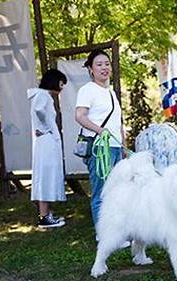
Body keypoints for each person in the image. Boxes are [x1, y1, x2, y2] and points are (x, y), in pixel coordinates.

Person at [75, 49, 125, 233]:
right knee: (101, 192)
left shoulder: (111, 93)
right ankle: (103, 234)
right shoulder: (87, 90)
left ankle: (117, 231)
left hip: (115, 148)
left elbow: (117, 122)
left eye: (106, 63)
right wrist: (100, 130)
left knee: (117, 191)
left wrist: (123, 146)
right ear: (90, 69)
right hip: (99, 148)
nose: (104, 67)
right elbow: (79, 116)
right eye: (99, 64)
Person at [28, 69, 67, 228]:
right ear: (54, 81)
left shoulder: (41, 95)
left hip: (44, 141)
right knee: (46, 176)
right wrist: (46, 128)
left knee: (46, 175)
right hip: (46, 142)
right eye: (61, 83)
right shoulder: (43, 95)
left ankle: (46, 213)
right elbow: (39, 111)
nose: (62, 86)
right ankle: (44, 217)